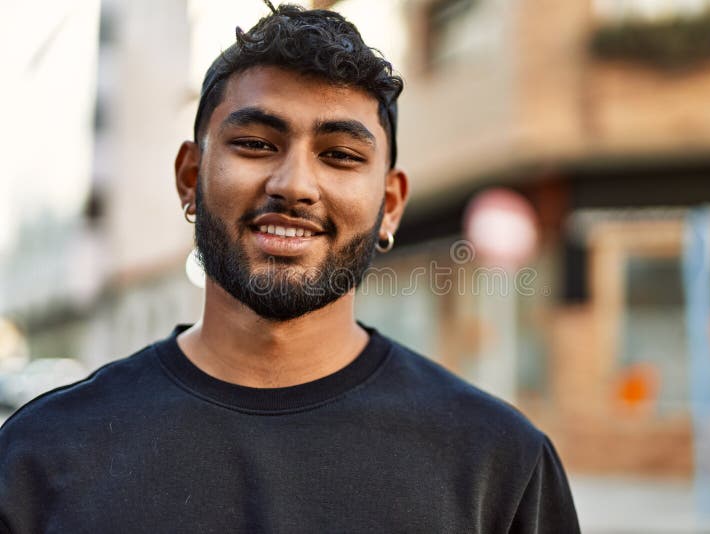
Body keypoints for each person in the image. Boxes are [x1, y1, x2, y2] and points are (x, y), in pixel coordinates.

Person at [0, 3, 580, 533]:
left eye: (341, 156)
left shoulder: (498, 463)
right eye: (255, 143)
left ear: (391, 204)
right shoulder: (41, 457)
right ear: (189, 179)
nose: (295, 186)